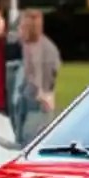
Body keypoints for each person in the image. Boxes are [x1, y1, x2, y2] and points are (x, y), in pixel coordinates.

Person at [11, 9, 62, 144]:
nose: (18, 30)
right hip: (39, 102)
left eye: (20, 26)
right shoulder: (47, 46)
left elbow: (35, 76)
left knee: (27, 142)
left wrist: (40, 93)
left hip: (35, 104)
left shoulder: (33, 49)